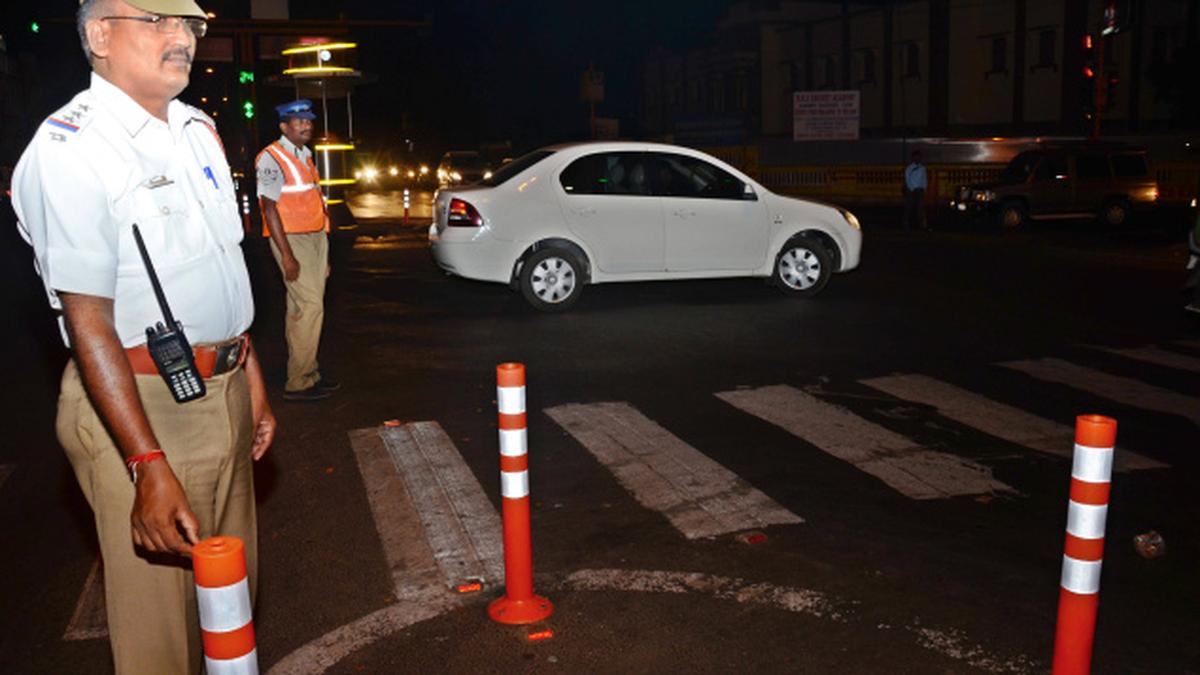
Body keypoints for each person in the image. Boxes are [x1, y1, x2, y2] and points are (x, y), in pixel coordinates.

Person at [11, 1, 275, 672]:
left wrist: (249, 373)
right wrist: (144, 464)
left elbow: (220, 269)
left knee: (231, 605)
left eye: (189, 25)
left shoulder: (199, 129)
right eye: (158, 20)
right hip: (142, 403)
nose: (181, 37)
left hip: (222, 390)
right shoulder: (71, 147)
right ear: (100, 34)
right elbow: (87, 318)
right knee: (162, 642)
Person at [256, 99, 339, 401]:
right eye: (299, 121)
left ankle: (307, 372)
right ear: (283, 127)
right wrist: (287, 256)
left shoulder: (304, 155)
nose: (306, 125)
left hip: (316, 238)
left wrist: (325, 256)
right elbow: (269, 209)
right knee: (311, 306)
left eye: (309, 121)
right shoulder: (271, 158)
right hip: (292, 240)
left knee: (300, 308)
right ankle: (300, 381)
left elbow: (313, 202)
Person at [903, 150, 928, 230]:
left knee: (920, 208)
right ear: (913, 158)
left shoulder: (922, 168)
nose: (918, 158)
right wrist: (911, 189)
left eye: (919, 157)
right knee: (909, 208)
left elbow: (924, 179)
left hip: (919, 190)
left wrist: (924, 187)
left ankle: (921, 225)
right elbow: (907, 179)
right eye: (916, 157)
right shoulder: (909, 168)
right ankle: (906, 223)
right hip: (911, 190)